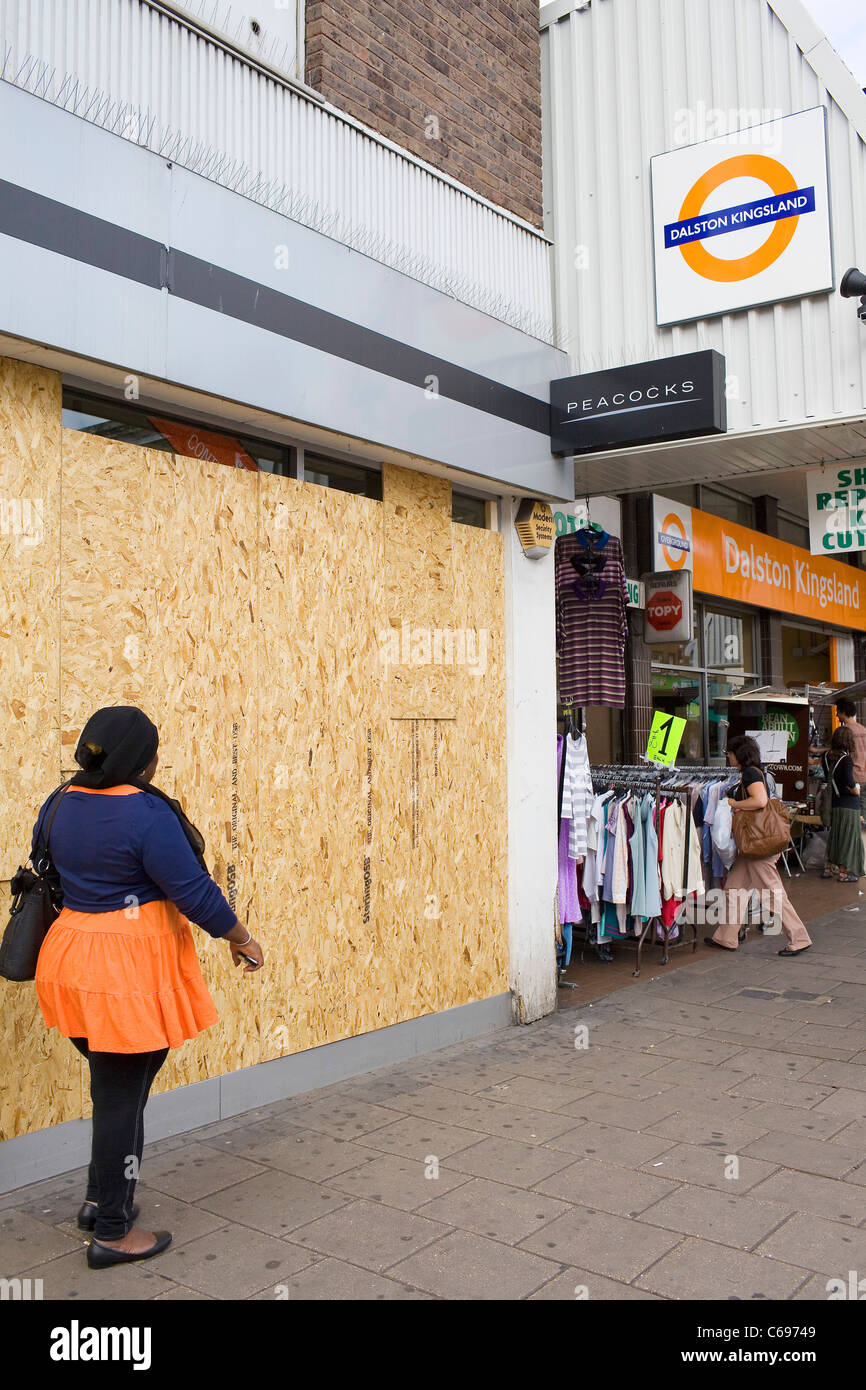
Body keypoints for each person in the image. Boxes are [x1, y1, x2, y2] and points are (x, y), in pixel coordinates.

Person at [32, 706, 264, 1268]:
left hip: (69, 960)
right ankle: (112, 1231)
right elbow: (194, 891)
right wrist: (240, 937)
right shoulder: (145, 813)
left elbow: (51, 869)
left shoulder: (60, 801)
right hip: (124, 973)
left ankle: (97, 1199)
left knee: (116, 1089)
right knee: (121, 1097)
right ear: (143, 761)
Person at [704, 734, 812, 957]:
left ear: (738, 754)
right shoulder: (753, 771)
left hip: (757, 845)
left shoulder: (750, 773)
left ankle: (799, 938)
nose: (728, 757)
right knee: (734, 889)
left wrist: (735, 803)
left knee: (772, 893)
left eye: (730, 753)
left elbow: (760, 801)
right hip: (753, 846)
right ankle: (726, 937)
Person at [821, 724, 864, 882]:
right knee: (848, 838)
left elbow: (829, 779)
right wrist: (855, 789)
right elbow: (850, 783)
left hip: (834, 803)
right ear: (848, 741)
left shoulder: (825, 757)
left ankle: (828, 867)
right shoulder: (846, 760)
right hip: (849, 805)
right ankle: (844, 872)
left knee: (835, 837)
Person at [835, 698, 866, 827]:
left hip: (852, 779)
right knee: (863, 817)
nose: (836, 714)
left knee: (852, 820)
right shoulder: (863, 729)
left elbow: (836, 750)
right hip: (865, 776)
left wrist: (815, 751)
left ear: (843, 711)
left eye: (838, 711)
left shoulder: (844, 732)